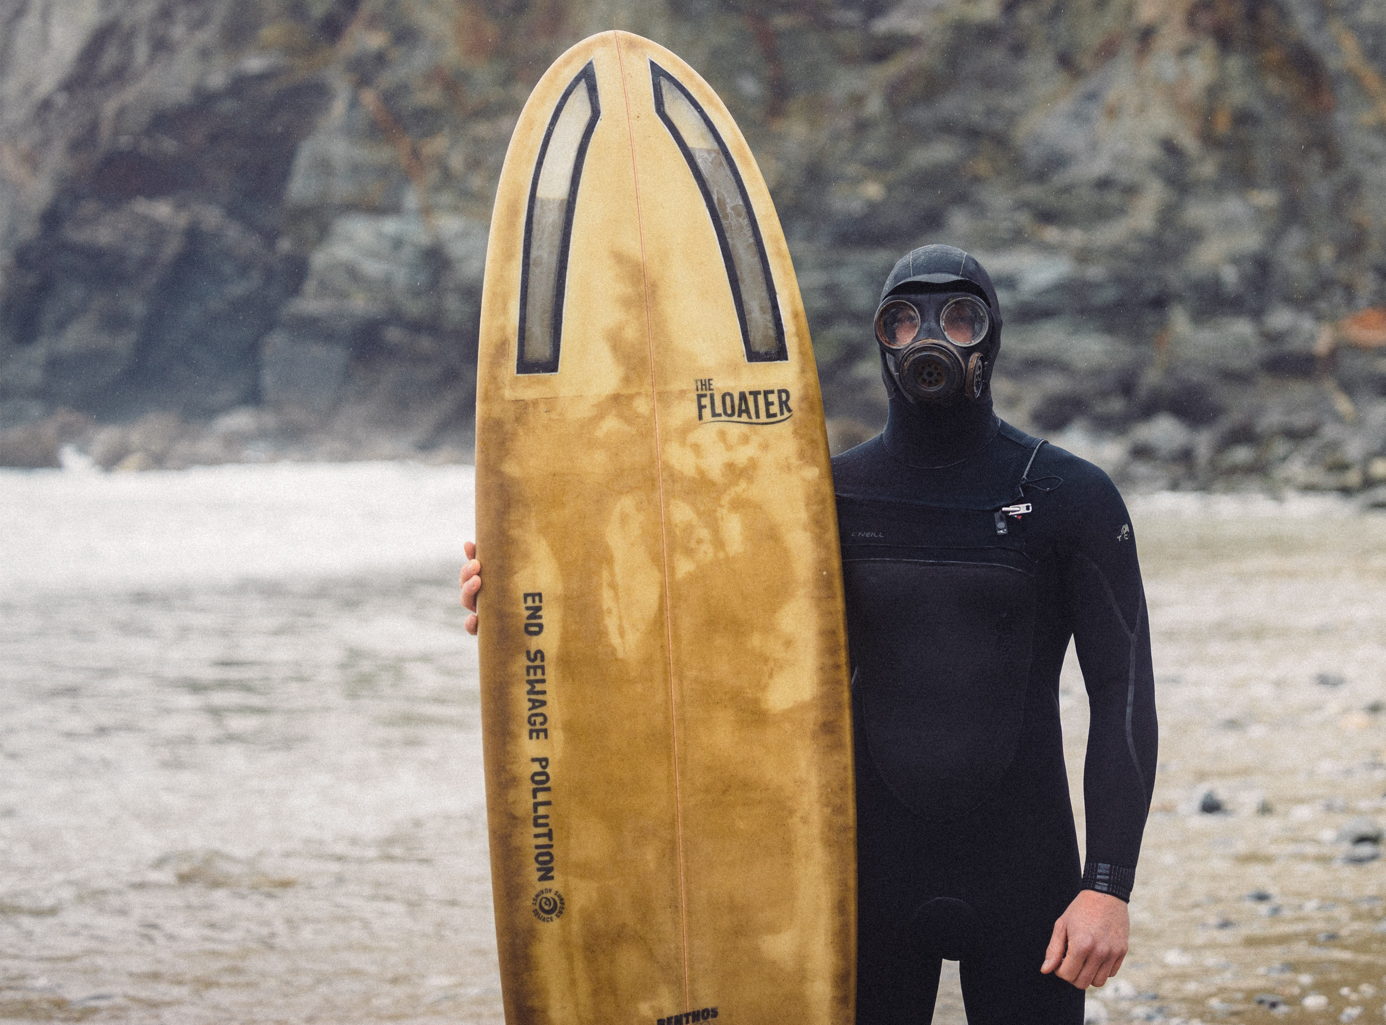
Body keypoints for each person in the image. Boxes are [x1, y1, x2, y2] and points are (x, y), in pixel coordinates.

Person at [460, 244, 1156, 1025]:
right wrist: (531, 600)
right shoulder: (824, 497)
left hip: (1025, 875)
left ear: (991, 337)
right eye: (903, 320)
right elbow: (692, 633)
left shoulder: (1070, 495)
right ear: (879, 341)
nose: (931, 337)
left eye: (960, 315)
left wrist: (1107, 886)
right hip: (864, 881)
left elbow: (1124, 690)